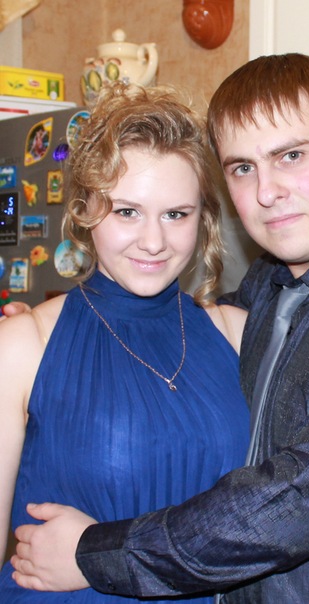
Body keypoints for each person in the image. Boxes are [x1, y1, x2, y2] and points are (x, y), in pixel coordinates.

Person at [9, 53, 309, 603]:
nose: (266, 191)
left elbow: (300, 501)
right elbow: (179, 330)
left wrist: (94, 553)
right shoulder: (266, 287)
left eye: (291, 155)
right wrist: (41, 335)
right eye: (242, 168)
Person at [0, 82, 251, 603]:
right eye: (127, 211)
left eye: (176, 214)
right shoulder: (23, 345)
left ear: (203, 218)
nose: (154, 242)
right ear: (84, 209)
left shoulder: (237, 333)